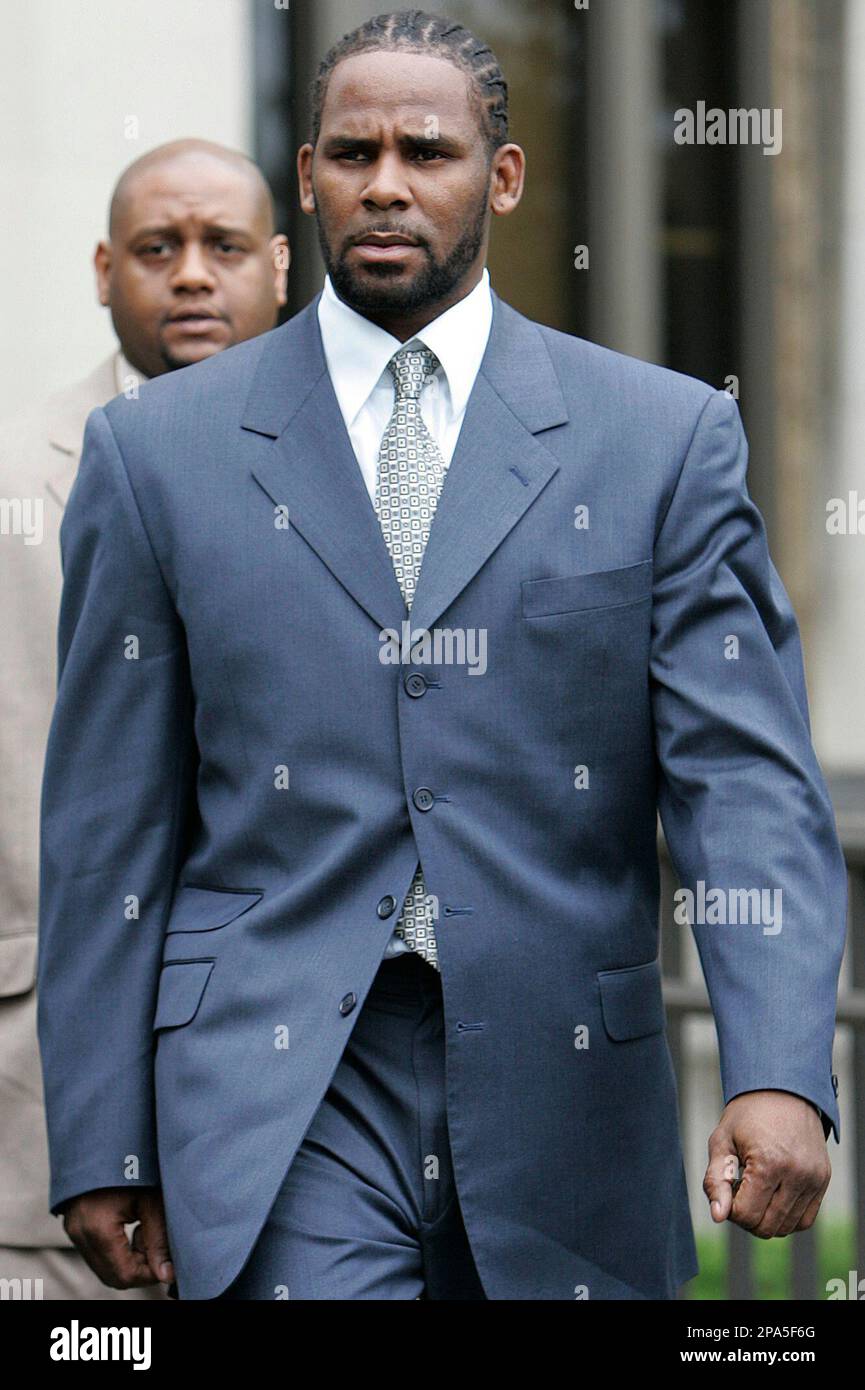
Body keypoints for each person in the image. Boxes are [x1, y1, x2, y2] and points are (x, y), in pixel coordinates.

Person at [37, 12, 845, 1301]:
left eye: (428, 149)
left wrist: (777, 1066)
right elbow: (104, 826)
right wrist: (99, 1133)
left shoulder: (662, 441)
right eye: (352, 152)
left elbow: (744, 784)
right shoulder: (157, 456)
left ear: (504, 178)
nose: (388, 183)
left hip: (567, 1082)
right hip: (281, 1088)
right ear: (306, 177)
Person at [0, 137, 288, 1300]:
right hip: (38, 1086)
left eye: (223, 247)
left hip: (295, 1082)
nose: (191, 276)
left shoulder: (369, 468)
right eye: (158, 249)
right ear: (103, 266)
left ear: (279, 265)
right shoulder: (14, 480)